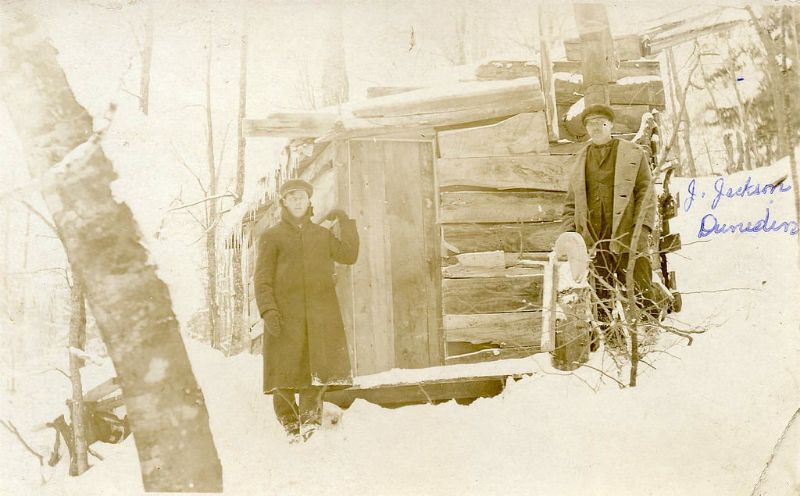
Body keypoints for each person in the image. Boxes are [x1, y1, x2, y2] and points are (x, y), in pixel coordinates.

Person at [254, 178, 359, 440]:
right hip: (285, 316)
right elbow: (262, 279)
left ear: (309, 201)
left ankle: (310, 425)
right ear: (284, 202)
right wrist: (268, 311)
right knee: (284, 373)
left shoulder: (321, 235)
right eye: (292, 197)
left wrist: (344, 221)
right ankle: (290, 427)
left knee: (314, 372)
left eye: (301, 196)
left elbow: (349, 255)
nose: (297, 201)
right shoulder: (271, 236)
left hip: (318, 315)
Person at [561, 104, 664, 333]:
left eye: (601, 123)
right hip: (594, 241)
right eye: (590, 124)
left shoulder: (632, 153)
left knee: (640, 289)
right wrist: (571, 236)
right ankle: (613, 345)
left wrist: (643, 229)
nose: (595, 128)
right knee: (601, 299)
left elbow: (646, 194)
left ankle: (648, 338)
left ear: (611, 126)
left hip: (628, 235)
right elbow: (570, 204)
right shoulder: (579, 160)